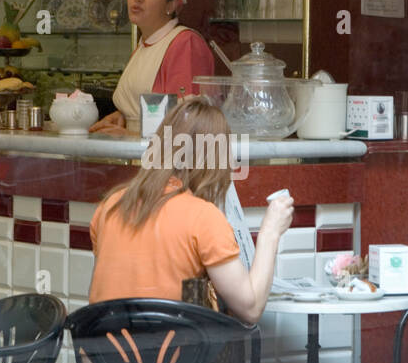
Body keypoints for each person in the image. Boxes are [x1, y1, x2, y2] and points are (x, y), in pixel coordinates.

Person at [88, 97, 293, 325]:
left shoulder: (111, 206)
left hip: (103, 357)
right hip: (171, 357)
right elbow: (251, 309)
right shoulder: (202, 217)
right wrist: (270, 232)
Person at [89, 0, 215, 135]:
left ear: (171, 5)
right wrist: (123, 117)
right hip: (142, 157)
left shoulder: (185, 43)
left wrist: (130, 136)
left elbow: (189, 124)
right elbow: (151, 110)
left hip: (170, 160)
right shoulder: (144, 45)